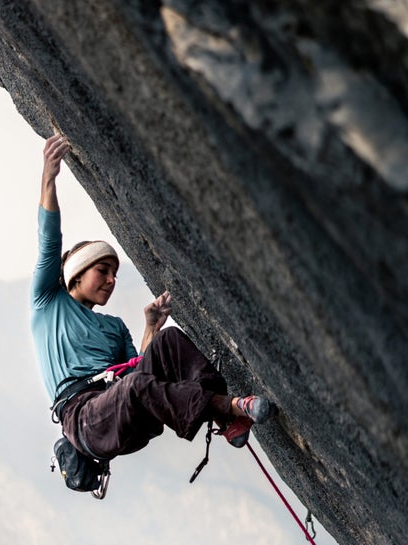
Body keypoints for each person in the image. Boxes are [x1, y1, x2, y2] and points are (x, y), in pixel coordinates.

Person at [31, 134, 274, 462]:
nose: (111, 280)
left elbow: (140, 371)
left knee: (169, 341)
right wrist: (49, 177)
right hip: (87, 421)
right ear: (76, 275)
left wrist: (151, 329)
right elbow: (49, 241)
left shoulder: (114, 328)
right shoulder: (48, 304)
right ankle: (227, 408)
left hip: (128, 413)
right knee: (133, 387)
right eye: (102, 270)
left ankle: (224, 417)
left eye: (114, 273)